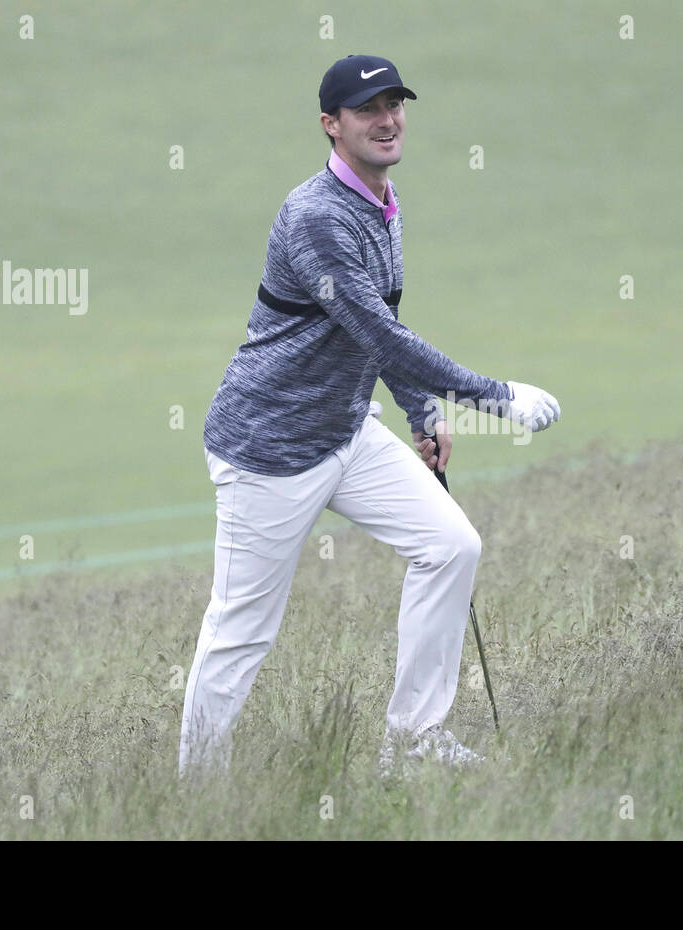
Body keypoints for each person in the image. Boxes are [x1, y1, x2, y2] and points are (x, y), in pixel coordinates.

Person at [179, 54, 561, 776]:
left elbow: (376, 321)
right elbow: (380, 333)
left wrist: (420, 410)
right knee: (241, 633)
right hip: (269, 448)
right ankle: (195, 796)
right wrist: (495, 397)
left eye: (394, 104)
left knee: (452, 547)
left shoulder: (382, 197)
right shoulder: (317, 217)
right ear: (331, 126)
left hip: (346, 430)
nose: (387, 120)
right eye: (367, 110)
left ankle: (413, 746)